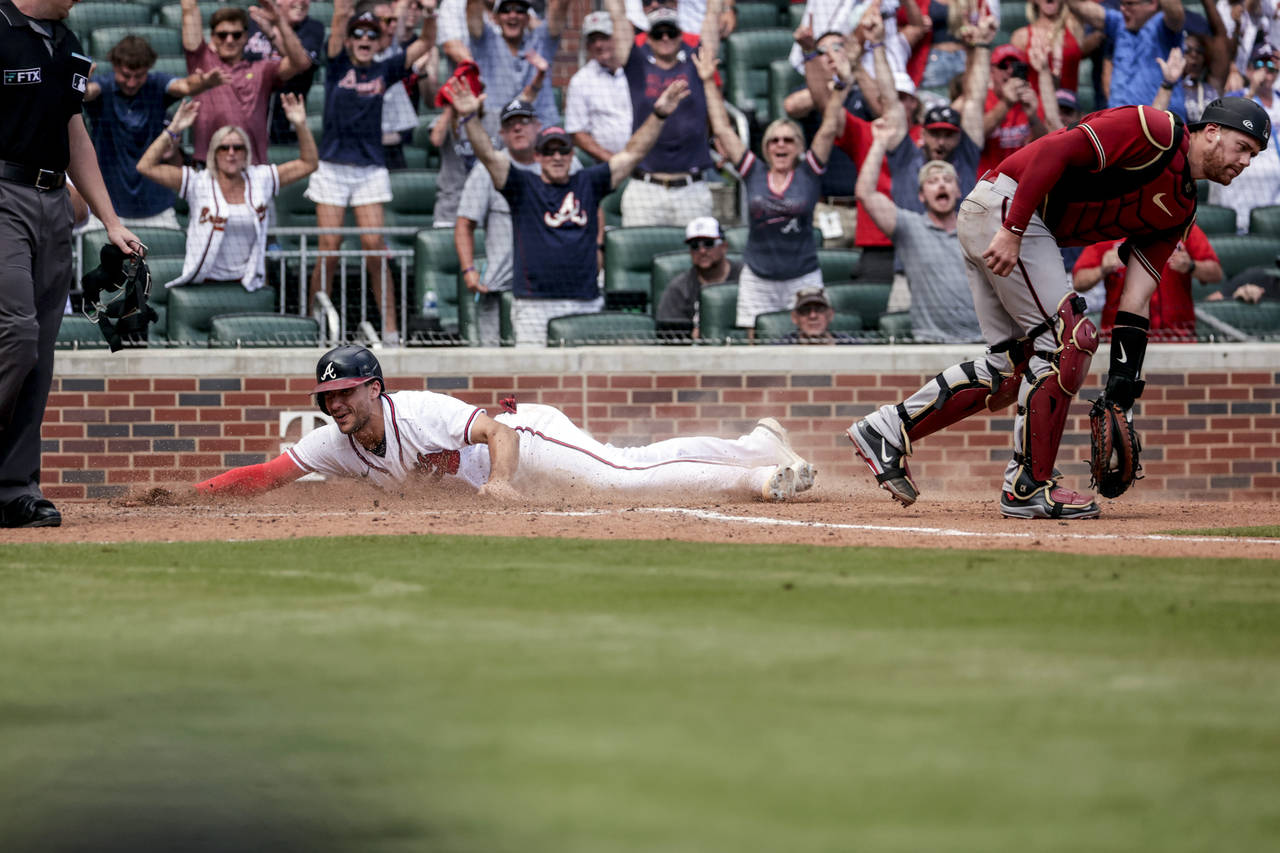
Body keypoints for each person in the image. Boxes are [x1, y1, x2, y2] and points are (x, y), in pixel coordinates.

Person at [846, 96, 1268, 520]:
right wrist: (1012, 230)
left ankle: (886, 430)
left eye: (1254, 154)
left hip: (1006, 216)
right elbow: (1054, 149)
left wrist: (1122, 392)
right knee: (1072, 338)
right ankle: (1028, 485)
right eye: (1244, 147)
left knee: (1013, 368)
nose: (1246, 161)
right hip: (1011, 208)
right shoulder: (1155, 130)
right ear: (1212, 131)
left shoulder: (1181, 207)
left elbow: (1135, 300)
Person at [193, 345, 815, 501]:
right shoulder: (336, 441)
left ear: (374, 388)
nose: (335, 406)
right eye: (327, 397)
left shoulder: (414, 409)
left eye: (346, 392)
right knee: (637, 457)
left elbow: (499, 434)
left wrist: (503, 483)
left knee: (625, 476)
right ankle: (753, 444)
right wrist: (193, 497)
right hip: (502, 464)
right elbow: (268, 474)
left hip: (528, 440)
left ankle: (756, 476)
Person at [1, 0, 141, 528]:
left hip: (52, 199)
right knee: (12, 334)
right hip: (2, 191)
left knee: (36, 350)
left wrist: (109, 219)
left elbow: (72, 130)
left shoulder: (66, 38)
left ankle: (15, 488)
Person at [449, 75, 690, 345]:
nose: (556, 157)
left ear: (572, 154)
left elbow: (632, 154)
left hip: (585, 302)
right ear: (538, 156)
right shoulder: (522, 186)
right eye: (548, 151)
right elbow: (489, 156)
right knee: (532, 377)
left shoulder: (589, 182)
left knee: (585, 382)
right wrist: (470, 117)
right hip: (533, 305)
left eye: (563, 150)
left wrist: (658, 115)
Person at [697, 36, 844, 332]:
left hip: (803, 277)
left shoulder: (809, 172)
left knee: (811, 344)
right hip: (758, 279)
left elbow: (829, 129)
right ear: (765, 148)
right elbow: (724, 129)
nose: (781, 145)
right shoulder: (754, 171)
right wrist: (707, 82)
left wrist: (841, 87)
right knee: (756, 349)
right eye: (774, 140)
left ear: (799, 147)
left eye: (788, 140)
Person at [307, 3, 434, 344]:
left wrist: (432, 14)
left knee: (374, 246)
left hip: (370, 170)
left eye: (371, 34)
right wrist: (342, 11)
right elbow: (337, 26)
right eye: (358, 33)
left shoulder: (385, 68)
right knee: (329, 247)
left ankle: (391, 331)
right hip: (332, 167)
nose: (364, 38)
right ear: (348, 40)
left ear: (379, 42)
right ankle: (309, 324)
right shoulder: (336, 65)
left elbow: (425, 44)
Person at [136, 96, 318, 293]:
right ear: (214, 153)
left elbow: (309, 163)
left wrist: (300, 125)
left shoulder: (261, 178)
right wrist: (174, 129)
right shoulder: (198, 182)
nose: (231, 153)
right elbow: (145, 166)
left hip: (248, 283)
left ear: (246, 153)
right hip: (204, 281)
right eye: (224, 148)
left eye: (238, 147)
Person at [455, 98, 579, 345]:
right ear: (501, 133)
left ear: (538, 126)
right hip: (501, 287)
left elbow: (590, 207)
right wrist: (469, 270)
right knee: (492, 364)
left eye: (524, 122)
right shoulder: (488, 170)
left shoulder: (565, 163)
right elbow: (464, 223)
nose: (518, 128)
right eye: (510, 125)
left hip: (555, 286)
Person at [856, 121, 984, 343]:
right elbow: (865, 193)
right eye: (932, 181)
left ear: (958, 191)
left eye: (947, 180)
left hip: (980, 341)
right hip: (930, 341)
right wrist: (879, 143)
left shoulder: (977, 231)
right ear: (922, 195)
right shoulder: (909, 227)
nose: (941, 185)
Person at [81, 35, 225, 231]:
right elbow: (87, 93)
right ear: (115, 66)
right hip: (107, 210)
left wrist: (204, 83)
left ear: (148, 70)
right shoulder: (103, 87)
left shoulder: (156, 85)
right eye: (126, 75)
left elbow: (185, 86)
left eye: (138, 76)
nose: (131, 83)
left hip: (158, 208)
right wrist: (79, 84)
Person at [606, 0, 721, 227]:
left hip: (692, 187)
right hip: (645, 187)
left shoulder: (697, 60)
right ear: (648, 36)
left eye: (671, 32)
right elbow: (618, 15)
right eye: (659, 33)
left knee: (698, 258)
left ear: (681, 34)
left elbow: (713, 13)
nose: (666, 38)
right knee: (639, 258)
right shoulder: (635, 61)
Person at [181, 0, 313, 164]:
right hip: (208, 167)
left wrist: (279, 21)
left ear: (245, 37)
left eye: (236, 35)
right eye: (222, 35)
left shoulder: (263, 70)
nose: (229, 40)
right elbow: (189, 9)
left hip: (252, 168)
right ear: (213, 37)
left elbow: (300, 63)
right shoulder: (201, 61)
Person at [1072, 224, 1222, 341]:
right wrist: (1102, 270)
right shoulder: (1111, 230)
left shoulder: (1182, 227)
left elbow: (1216, 273)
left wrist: (1191, 266)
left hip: (1177, 336)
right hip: (1120, 336)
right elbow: (1078, 281)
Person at [1066, 0, 1185, 118]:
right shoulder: (1119, 23)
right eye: (1122, 4)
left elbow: (1175, 12)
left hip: (1162, 126)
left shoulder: (1164, 27)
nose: (1123, 8)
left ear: (1152, 4)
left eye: (1129, 4)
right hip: (1121, 126)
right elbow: (1079, 6)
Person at [1210, 42, 1280, 232]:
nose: (1266, 69)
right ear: (1248, 70)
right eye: (1259, 64)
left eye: (1272, 64)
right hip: (1245, 172)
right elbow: (1232, 122)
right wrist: (1253, 88)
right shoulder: (1238, 96)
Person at [243, 0, 327, 145]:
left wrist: (273, 31)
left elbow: (301, 63)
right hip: (246, 118)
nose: (301, 2)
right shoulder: (251, 23)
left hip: (286, 121)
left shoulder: (313, 28)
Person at [655, 216, 743, 336]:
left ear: (724, 247)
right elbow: (668, 337)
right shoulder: (679, 288)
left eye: (708, 244)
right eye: (695, 246)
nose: (702, 251)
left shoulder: (745, 278)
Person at [563, 10, 632, 163]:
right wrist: (613, 161)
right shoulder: (581, 80)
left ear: (616, 38)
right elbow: (577, 133)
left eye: (604, 38)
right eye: (593, 40)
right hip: (606, 164)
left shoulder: (636, 70)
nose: (598, 45)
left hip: (647, 161)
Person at [980, 44, 1049, 175]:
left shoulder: (1032, 98)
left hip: (1022, 179)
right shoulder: (983, 99)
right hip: (987, 181)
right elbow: (976, 136)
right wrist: (1006, 103)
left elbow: (1044, 146)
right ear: (991, 70)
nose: (1010, 71)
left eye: (1017, 66)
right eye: (1003, 65)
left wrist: (1033, 117)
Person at [779, 286, 857, 343]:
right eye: (805, 310)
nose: (813, 316)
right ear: (794, 318)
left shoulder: (850, 344)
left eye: (819, 309)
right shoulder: (780, 348)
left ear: (830, 315)